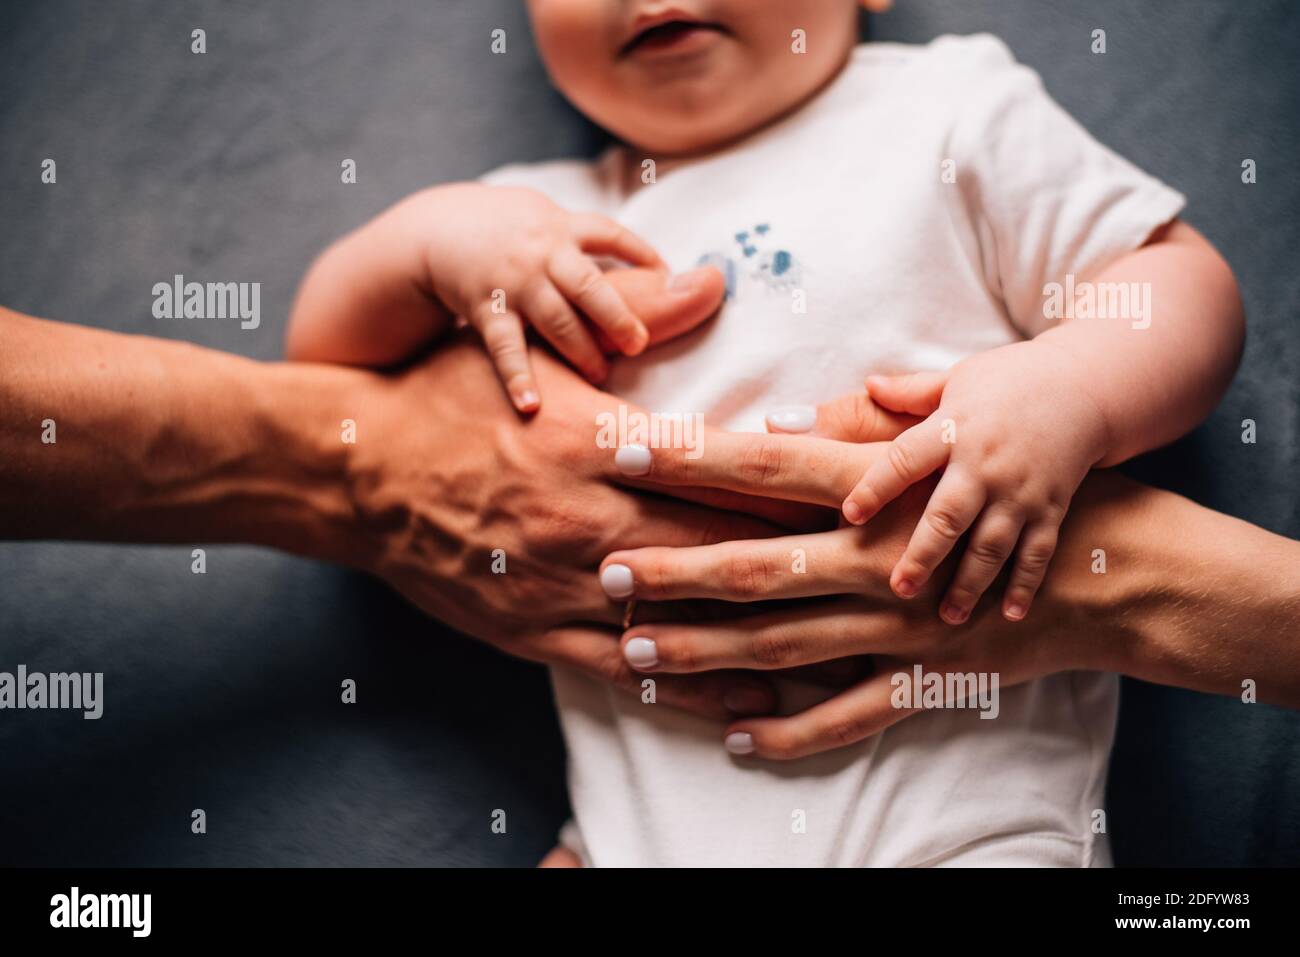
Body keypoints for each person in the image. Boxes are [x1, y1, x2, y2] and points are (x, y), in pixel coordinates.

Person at [280, 0, 1246, 866]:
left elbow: (1177, 287)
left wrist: (1068, 388)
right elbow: (328, 379)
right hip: (644, 828)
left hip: (957, 814)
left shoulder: (944, 110)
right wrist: (427, 243)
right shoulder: (532, 223)